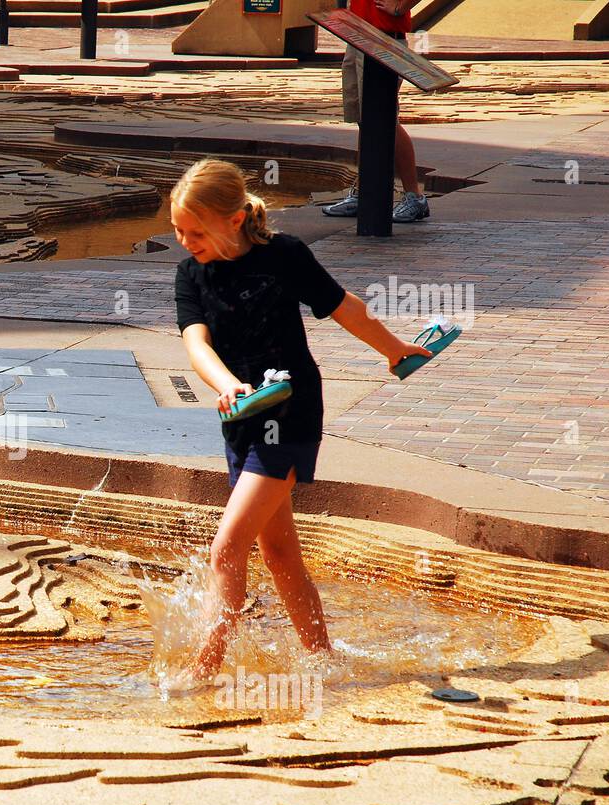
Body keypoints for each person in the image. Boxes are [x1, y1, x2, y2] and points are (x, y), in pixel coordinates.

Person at [172, 158, 431, 679]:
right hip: (241, 417)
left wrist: (394, 349)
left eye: (195, 230)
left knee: (226, 550)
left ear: (236, 219)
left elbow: (345, 308)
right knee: (280, 553)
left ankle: (201, 673)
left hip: (290, 412)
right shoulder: (191, 272)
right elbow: (195, 344)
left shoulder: (284, 255)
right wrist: (228, 387)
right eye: (177, 230)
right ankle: (322, 660)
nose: (184, 240)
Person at [323, 0, 430, 223]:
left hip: (384, 37)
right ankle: (365, 192)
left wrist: (400, 7)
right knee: (365, 118)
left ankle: (415, 196)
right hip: (357, 34)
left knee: (385, 118)